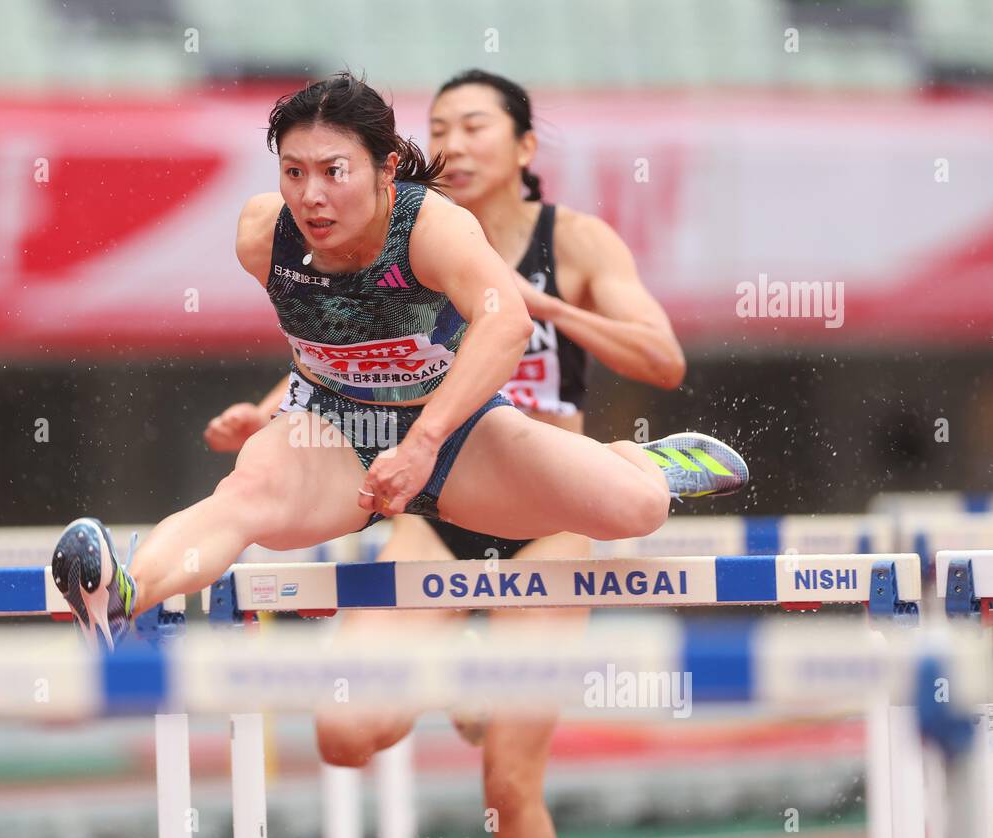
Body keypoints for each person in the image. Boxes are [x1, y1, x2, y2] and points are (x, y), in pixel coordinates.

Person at [53, 69, 746, 686]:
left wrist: (422, 445)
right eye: (293, 173)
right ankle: (121, 593)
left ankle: (643, 463)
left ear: (386, 170)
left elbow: (505, 325)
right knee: (247, 496)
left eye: (333, 171)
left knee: (634, 511)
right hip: (334, 428)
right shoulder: (262, 237)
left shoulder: (432, 228)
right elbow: (318, 343)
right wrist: (271, 409)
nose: (311, 197)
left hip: (455, 435)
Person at [202, 71, 697, 838]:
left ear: (525, 147)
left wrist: (543, 308)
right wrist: (266, 417)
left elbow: (664, 359)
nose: (454, 144)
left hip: (545, 521)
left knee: (508, 783)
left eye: (475, 127)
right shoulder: (401, 233)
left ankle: (489, 686)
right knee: (346, 732)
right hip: (435, 515)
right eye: (440, 127)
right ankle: (450, 673)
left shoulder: (573, 241)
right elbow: (341, 362)